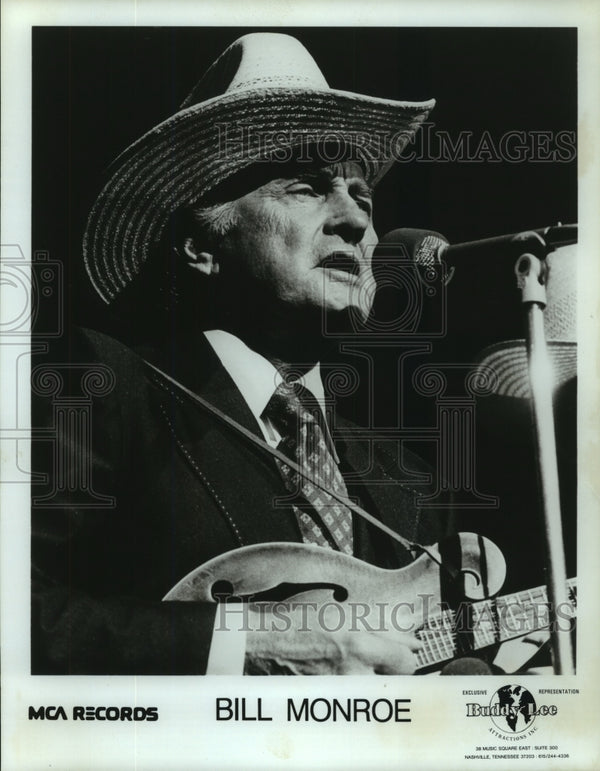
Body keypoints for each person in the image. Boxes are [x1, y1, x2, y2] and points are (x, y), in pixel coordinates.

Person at [31, 32, 452, 675]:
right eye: (309, 188)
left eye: (362, 196)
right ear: (202, 247)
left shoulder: (404, 478)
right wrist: (252, 641)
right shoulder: (105, 388)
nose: (357, 221)